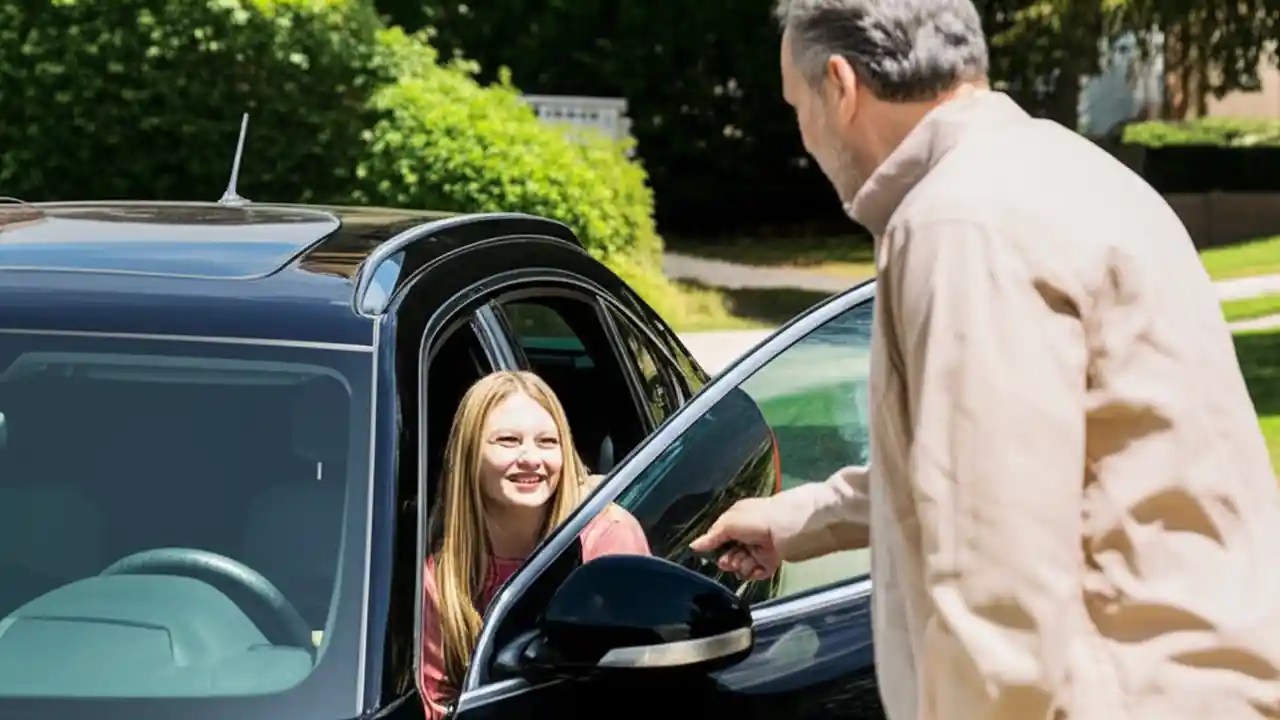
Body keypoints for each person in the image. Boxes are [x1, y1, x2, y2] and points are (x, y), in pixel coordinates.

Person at [691, 1, 1280, 718]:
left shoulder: (961, 223)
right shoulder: (1063, 174)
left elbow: (999, 579)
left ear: (840, 87)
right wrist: (801, 520)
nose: (804, 135)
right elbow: (1011, 460)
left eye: (796, 106)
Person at [419, 370, 650, 718]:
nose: (531, 458)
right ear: (470, 455)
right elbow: (438, 703)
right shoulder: (443, 577)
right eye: (508, 441)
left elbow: (643, 676)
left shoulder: (607, 537)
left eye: (547, 442)